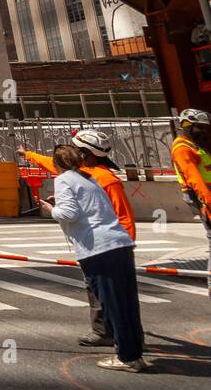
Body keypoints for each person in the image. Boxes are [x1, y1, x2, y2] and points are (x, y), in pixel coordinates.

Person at [19, 129, 137, 347]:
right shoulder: (82, 175)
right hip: (104, 245)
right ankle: (114, 335)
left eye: (74, 148)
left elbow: (123, 215)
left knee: (109, 297)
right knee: (102, 293)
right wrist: (27, 154)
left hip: (104, 247)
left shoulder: (102, 179)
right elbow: (50, 163)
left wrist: (53, 210)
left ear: (84, 153)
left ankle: (118, 341)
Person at [39, 144, 146, 372]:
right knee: (127, 302)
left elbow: (69, 213)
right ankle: (134, 352)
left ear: (57, 164)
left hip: (98, 248)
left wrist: (51, 210)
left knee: (113, 304)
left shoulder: (63, 180)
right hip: (120, 243)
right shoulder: (90, 178)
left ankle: (127, 357)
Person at [170, 108, 211, 296]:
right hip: (206, 202)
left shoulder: (193, 145)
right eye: (199, 127)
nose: (203, 131)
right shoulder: (183, 148)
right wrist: (208, 203)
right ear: (187, 125)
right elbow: (195, 179)